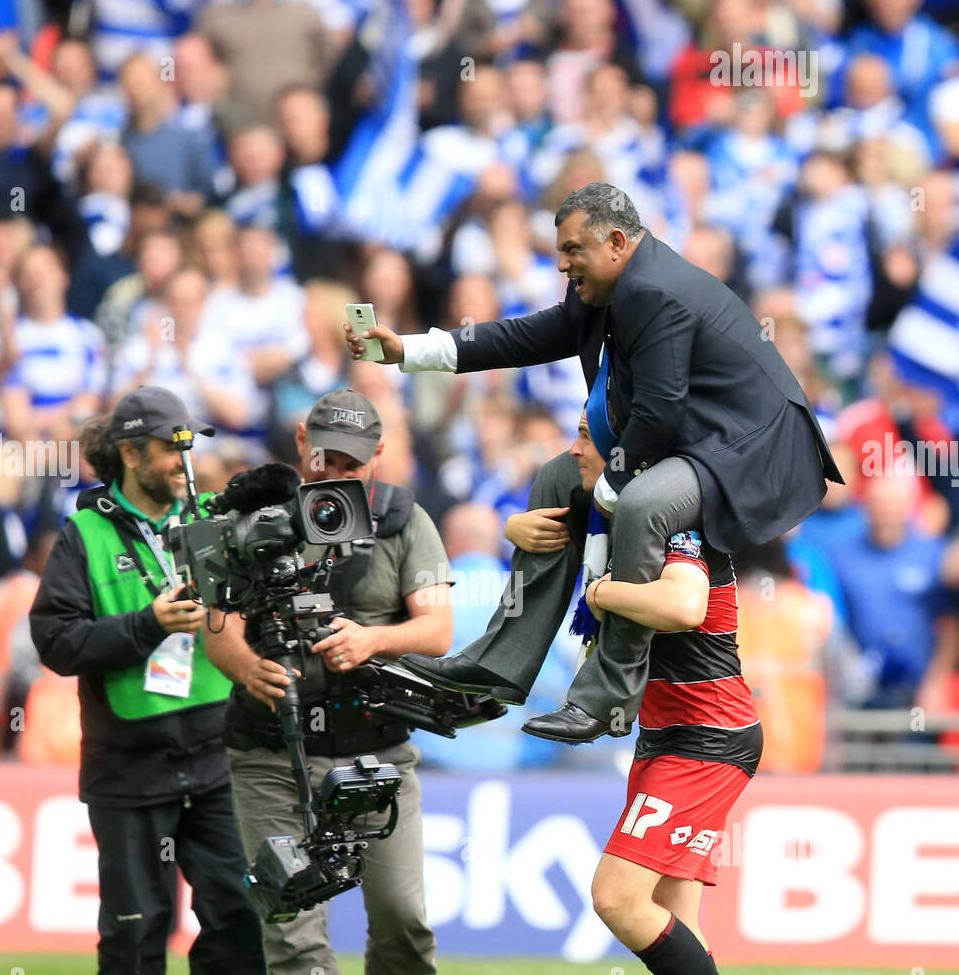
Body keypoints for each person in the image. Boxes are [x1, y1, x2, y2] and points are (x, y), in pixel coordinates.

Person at [346, 181, 842, 744]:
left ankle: (603, 700)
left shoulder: (655, 291)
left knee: (642, 501)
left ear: (614, 242)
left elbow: (657, 415)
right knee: (561, 476)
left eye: (571, 250)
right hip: (695, 439)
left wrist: (607, 502)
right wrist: (411, 350)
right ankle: (497, 666)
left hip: (751, 453)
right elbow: (530, 336)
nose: (561, 264)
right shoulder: (606, 288)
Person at [202, 389, 461, 975]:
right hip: (266, 748)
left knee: (404, 913)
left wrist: (372, 638)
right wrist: (244, 666)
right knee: (289, 912)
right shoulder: (251, 520)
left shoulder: (406, 519)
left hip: (373, 749)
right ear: (299, 439)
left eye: (350, 459)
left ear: (378, 456)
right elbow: (216, 620)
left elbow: (437, 630)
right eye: (323, 455)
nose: (332, 470)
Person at [539, 410, 780, 975]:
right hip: (669, 734)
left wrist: (606, 593)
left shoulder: (681, 525)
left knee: (616, 897)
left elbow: (683, 604)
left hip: (707, 736)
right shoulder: (621, 521)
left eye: (586, 436)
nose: (574, 447)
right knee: (673, 925)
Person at [28, 387, 267, 975]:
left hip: (217, 748)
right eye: (171, 447)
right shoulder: (85, 535)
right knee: (137, 918)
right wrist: (148, 626)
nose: (184, 461)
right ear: (130, 455)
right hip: (128, 758)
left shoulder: (210, 520)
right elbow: (57, 642)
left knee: (235, 903)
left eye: (189, 446)